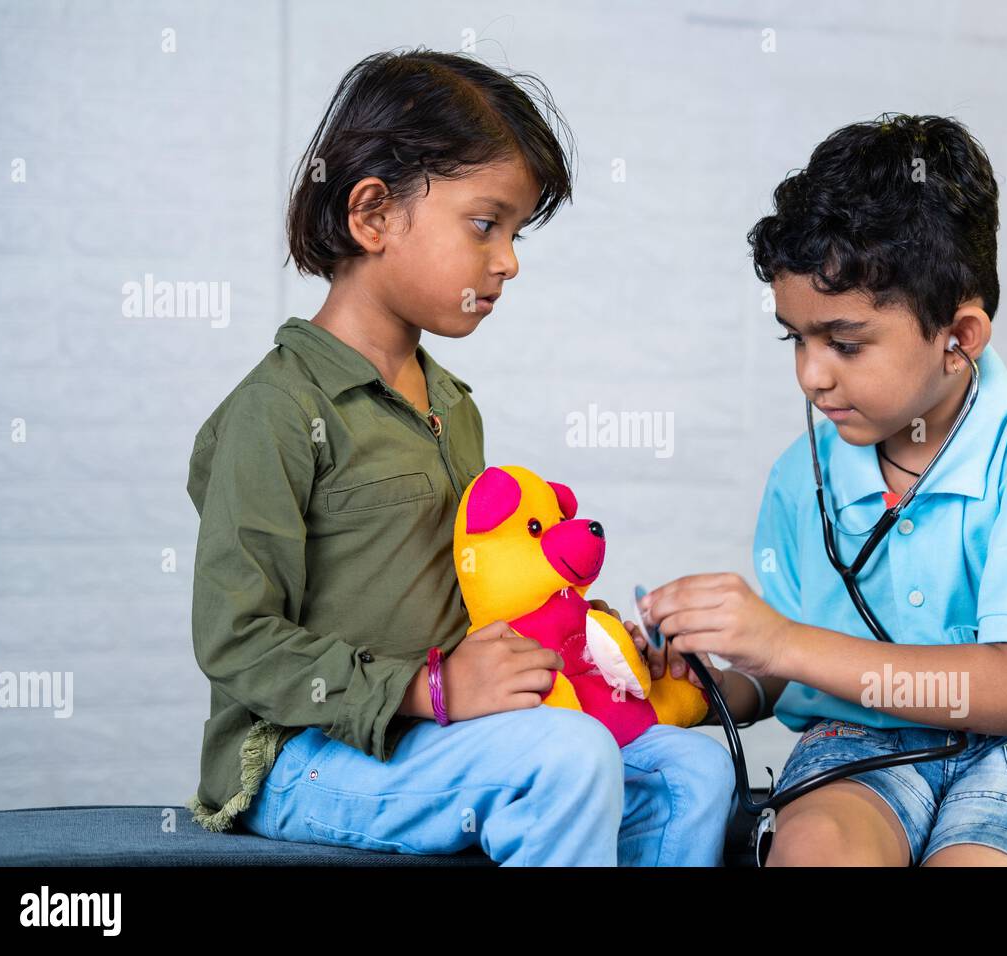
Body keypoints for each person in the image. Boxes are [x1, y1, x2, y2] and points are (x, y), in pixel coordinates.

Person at [185, 47, 734, 866]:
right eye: (486, 224)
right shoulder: (275, 412)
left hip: (440, 733)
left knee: (692, 766)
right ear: (373, 214)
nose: (509, 259)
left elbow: (474, 595)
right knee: (567, 758)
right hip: (301, 758)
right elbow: (235, 639)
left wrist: (590, 645)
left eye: (515, 232)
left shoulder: (453, 406)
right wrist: (422, 688)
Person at [637, 113, 1007, 867]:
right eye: (795, 339)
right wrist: (700, 682)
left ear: (959, 337)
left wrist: (782, 639)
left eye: (843, 342)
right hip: (855, 737)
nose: (812, 375)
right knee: (818, 850)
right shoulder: (799, 476)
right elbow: (783, 671)